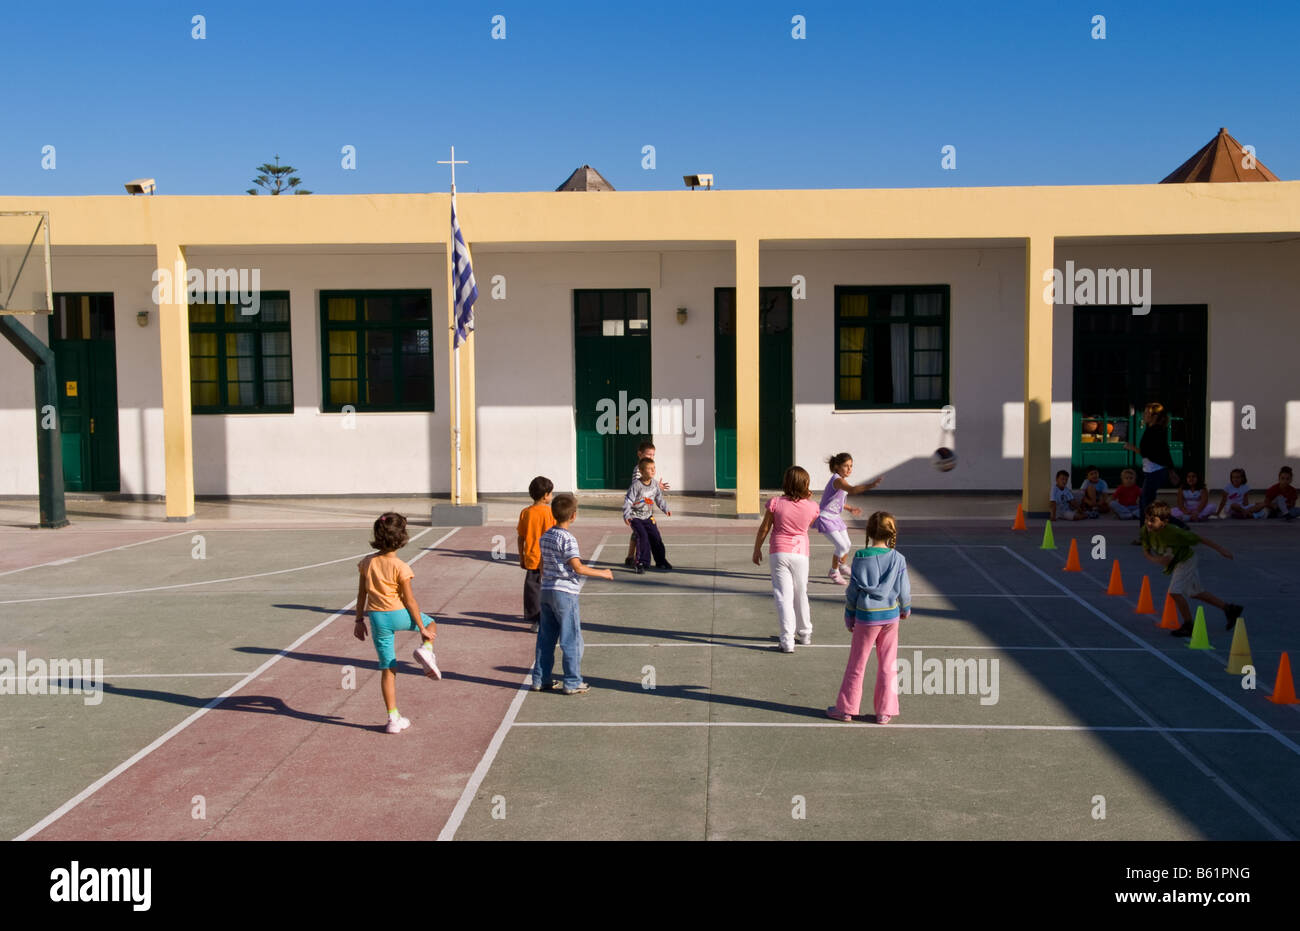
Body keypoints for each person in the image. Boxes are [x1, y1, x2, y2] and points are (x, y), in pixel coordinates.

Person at [353, 512, 440, 735]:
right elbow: (409, 601)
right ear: (402, 538)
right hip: (398, 613)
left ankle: (393, 718)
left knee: (388, 668)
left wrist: (359, 620)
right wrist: (422, 628)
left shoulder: (366, 563)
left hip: (377, 618)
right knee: (432, 624)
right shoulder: (401, 567)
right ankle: (426, 650)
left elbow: (361, 594)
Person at [827, 512, 911, 725]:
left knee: (857, 662)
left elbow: (853, 591)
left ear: (869, 532)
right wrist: (906, 607)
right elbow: (904, 588)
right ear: (892, 532)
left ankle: (846, 709)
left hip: (866, 616)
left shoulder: (860, 557)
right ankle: (884, 711)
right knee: (888, 663)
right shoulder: (898, 558)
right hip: (890, 616)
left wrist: (849, 615)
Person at [531, 493, 613, 695]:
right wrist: (603, 573)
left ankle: (540, 679)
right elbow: (577, 567)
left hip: (546, 591)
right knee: (571, 638)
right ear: (573, 515)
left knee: (545, 638)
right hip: (565, 593)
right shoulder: (568, 539)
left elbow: (541, 565)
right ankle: (572, 681)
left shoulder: (546, 536)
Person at [1140, 501, 1243, 635]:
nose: (1148, 523)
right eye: (1147, 519)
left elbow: (1199, 538)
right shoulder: (1145, 531)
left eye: (1152, 520)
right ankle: (1229, 609)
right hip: (1178, 562)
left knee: (1175, 592)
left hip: (1186, 561)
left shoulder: (1174, 532)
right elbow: (1146, 552)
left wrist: (1221, 549)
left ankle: (1188, 625)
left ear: (1164, 522)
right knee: (1196, 593)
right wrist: (1157, 560)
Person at [753, 466, 820, 652]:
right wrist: (807, 500)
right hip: (801, 553)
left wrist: (757, 548)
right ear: (805, 484)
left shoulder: (775, 503)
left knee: (784, 596)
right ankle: (805, 633)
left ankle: (787, 640)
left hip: (779, 552)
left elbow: (764, 528)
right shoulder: (813, 506)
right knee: (801, 593)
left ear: (786, 483)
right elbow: (808, 524)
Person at [814, 453, 882, 585]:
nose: (849, 469)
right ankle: (834, 571)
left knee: (848, 544)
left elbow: (836, 501)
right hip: (826, 517)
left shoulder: (842, 481)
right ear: (837, 466)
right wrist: (870, 485)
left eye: (851, 466)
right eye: (846, 466)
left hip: (835, 518)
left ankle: (842, 566)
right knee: (841, 546)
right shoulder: (837, 480)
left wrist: (850, 508)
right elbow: (853, 490)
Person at [1124, 402, 1180, 521]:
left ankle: (1170, 525)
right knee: (1145, 503)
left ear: (1154, 416)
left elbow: (1149, 452)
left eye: (1146, 413)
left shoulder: (1155, 431)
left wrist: (1132, 448)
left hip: (1155, 471)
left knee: (1146, 504)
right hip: (1153, 470)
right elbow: (1164, 451)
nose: (1143, 415)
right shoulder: (1154, 429)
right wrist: (1171, 470)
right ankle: (1148, 529)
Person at [517, 476, 556, 633]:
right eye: (551, 493)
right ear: (545, 495)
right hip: (549, 559)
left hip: (532, 558)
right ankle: (547, 618)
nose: (552, 496)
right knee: (550, 590)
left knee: (533, 592)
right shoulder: (551, 513)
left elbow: (521, 537)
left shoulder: (525, 513)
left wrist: (521, 557)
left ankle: (537, 620)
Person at [624, 441, 670, 567]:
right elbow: (640, 486)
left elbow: (651, 486)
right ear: (640, 454)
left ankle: (630, 557)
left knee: (640, 535)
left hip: (646, 511)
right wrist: (654, 487)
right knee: (641, 535)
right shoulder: (639, 470)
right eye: (649, 454)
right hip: (637, 511)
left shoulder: (649, 469)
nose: (651, 457)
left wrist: (657, 486)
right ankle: (639, 561)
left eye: (653, 455)